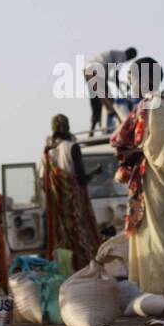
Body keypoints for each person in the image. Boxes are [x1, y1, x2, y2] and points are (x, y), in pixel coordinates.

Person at [111, 58, 164, 326]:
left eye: (133, 78)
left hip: (161, 184)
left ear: (146, 78)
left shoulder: (156, 104)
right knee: (159, 245)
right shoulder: (149, 105)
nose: (130, 84)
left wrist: (137, 152)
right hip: (154, 185)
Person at [41, 113, 101, 270]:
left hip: (57, 209)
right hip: (75, 207)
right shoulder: (72, 147)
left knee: (63, 243)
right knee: (84, 238)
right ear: (68, 127)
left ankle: (68, 274)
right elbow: (81, 180)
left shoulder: (47, 153)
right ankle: (89, 271)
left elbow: (43, 182)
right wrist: (95, 172)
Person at [84, 47, 137, 133]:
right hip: (95, 72)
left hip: (87, 71)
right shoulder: (122, 56)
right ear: (130, 55)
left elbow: (109, 77)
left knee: (96, 103)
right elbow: (115, 75)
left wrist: (121, 85)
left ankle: (92, 131)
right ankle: (122, 125)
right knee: (110, 102)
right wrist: (122, 89)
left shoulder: (114, 55)